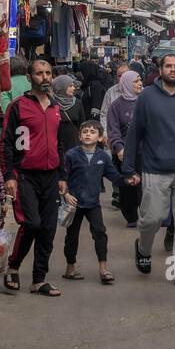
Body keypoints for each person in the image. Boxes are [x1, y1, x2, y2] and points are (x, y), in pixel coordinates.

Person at [121, 54, 175, 286]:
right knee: (152, 219)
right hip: (155, 168)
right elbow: (134, 133)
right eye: (168, 66)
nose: (172, 70)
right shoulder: (147, 96)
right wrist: (128, 167)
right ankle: (143, 248)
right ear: (160, 69)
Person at [0, 59, 66, 296]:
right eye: (39, 73)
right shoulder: (18, 107)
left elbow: (59, 144)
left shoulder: (56, 108)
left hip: (50, 177)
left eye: (48, 73)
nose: (45, 77)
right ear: (29, 77)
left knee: (48, 228)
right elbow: (7, 143)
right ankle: (13, 266)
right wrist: (9, 175)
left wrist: (62, 175)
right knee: (31, 224)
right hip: (25, 175)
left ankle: (39, 279)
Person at [59, 120, 123, 283]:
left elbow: (114, 176)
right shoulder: (71, 155)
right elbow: (62, 177)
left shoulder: (103, 157)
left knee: (100, 233)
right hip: (74, 204)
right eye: (85, 131)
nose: (88, 134)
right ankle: (70, 267)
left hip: (93, 203)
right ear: (79, 136)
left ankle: (103, 268)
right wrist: (66, 194)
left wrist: (129, 179)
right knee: (71, 236)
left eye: (93, 132)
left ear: (100, 137)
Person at [106, 69, 143, 228]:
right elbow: (113, 130)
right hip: (124, 154)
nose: (140, 83)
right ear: (126, 84)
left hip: (144, 153)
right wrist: (119, 148)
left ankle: (147, 215)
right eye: (135, 81)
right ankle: (131, 216)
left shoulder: (145, 102)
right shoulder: (116, 106)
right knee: (127, 187)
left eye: (140, 80)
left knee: (145, 186)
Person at [51, 74, 87, 153]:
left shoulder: (77, 103)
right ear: (61, 87)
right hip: (55, 146)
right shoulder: (51, 103)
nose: (73, 88)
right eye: (70, 86)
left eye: (73, 86)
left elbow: (82, 124)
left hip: (74, 144)